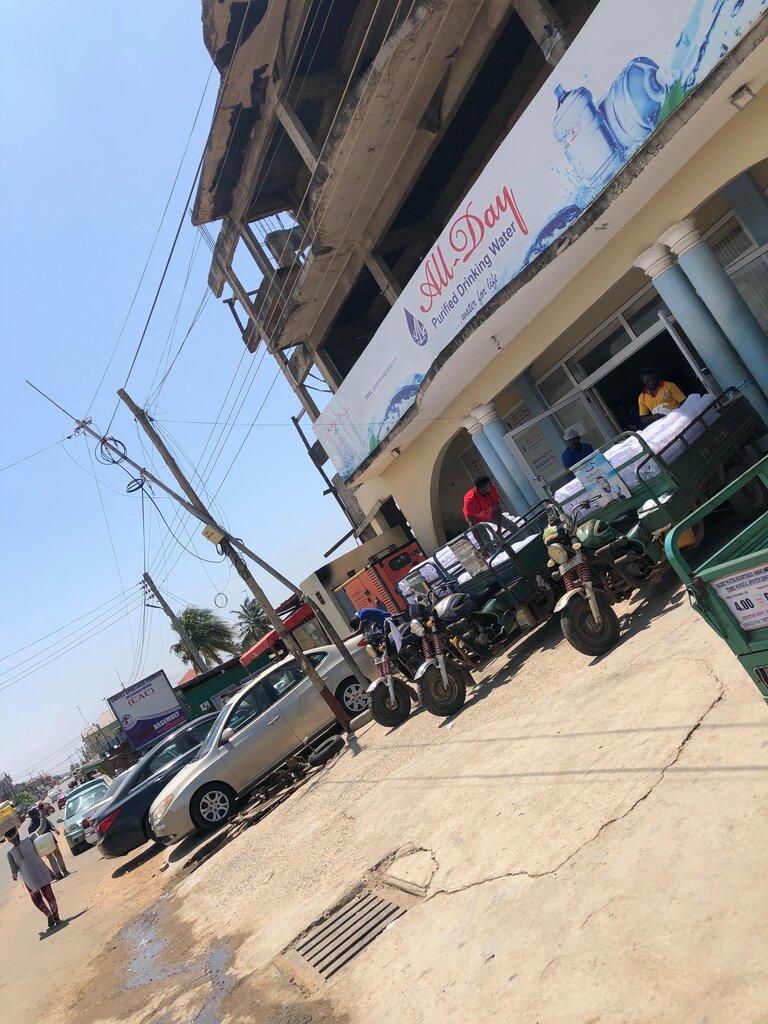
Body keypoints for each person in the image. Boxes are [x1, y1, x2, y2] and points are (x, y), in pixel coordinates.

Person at [4, 825, 61, 929]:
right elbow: (42, 826)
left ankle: (48, 914)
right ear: (17, 832)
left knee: (36, 899)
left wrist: (14, 875)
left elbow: (14, 872)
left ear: (8, 840)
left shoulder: (10, 853)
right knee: (50, 896)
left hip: (29, 879)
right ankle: (56, 918)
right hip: (41, 872)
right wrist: (41, 810)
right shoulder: (30, 840)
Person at [27, 804, 68, 881]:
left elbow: (50, 824)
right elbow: (32, 839)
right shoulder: (31, 827)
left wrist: (55, 829)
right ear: (31, 816)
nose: (37, 813)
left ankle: (64, 870)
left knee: (58, 854)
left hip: (51, 840)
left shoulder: (42, 819)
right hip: (43, 845)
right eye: (35, 812)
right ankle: (58, 874)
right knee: (51, 859)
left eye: (37, 812)